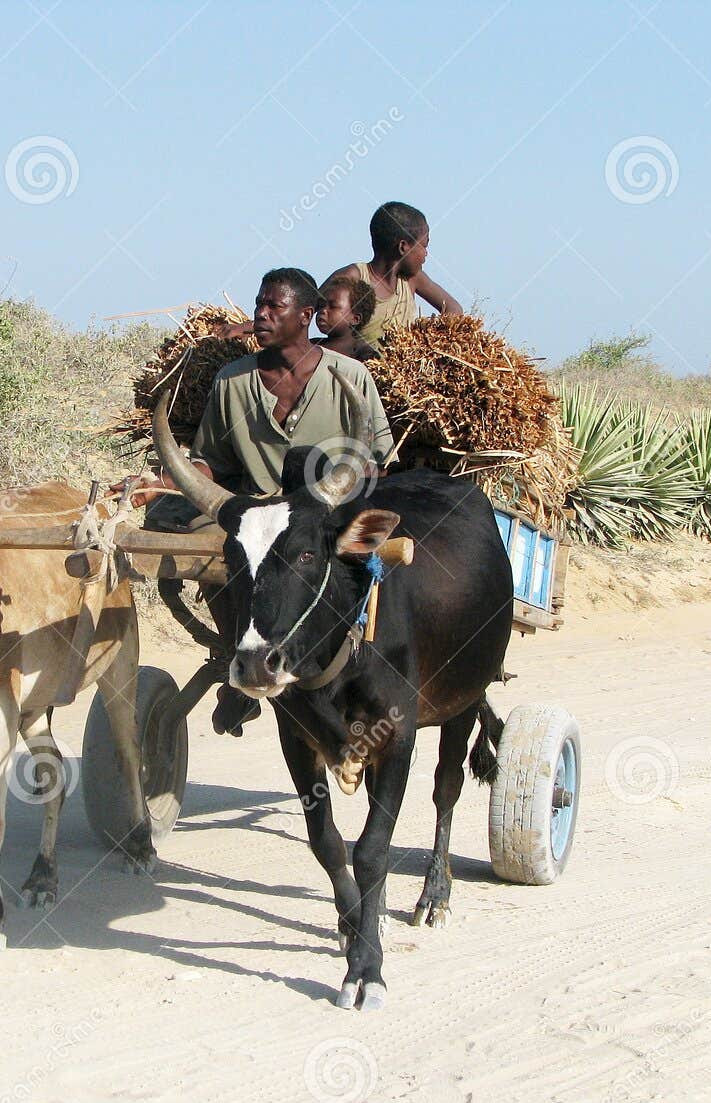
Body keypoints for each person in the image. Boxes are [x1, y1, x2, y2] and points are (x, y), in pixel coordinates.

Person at [121, 267, 394, 735]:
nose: (261, 315)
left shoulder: (350, 377)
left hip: (316, 519)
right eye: (259, 305)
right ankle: (237, 656)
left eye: (274, 307)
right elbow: (209, 464)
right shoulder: (232, 382)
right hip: (252, 520)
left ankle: (326, 656)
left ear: (306, 315)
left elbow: (374, 462)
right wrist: (161, 481)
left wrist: (332, 489)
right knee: (209, 543)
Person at [326, 200, 465, 346]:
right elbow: (307, 303)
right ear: (403, 247)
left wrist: (427, 339)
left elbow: (453, 308)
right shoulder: (354, 277)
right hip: (358, 366)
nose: (426, 253)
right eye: (424, 245)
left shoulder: (412, 279)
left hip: (399, 366)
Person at [315, 273, 379, 361]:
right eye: (321, 305)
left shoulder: (365, 356)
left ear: (355, 319)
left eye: (333, 306)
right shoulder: (311, 346)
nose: (323, 310)